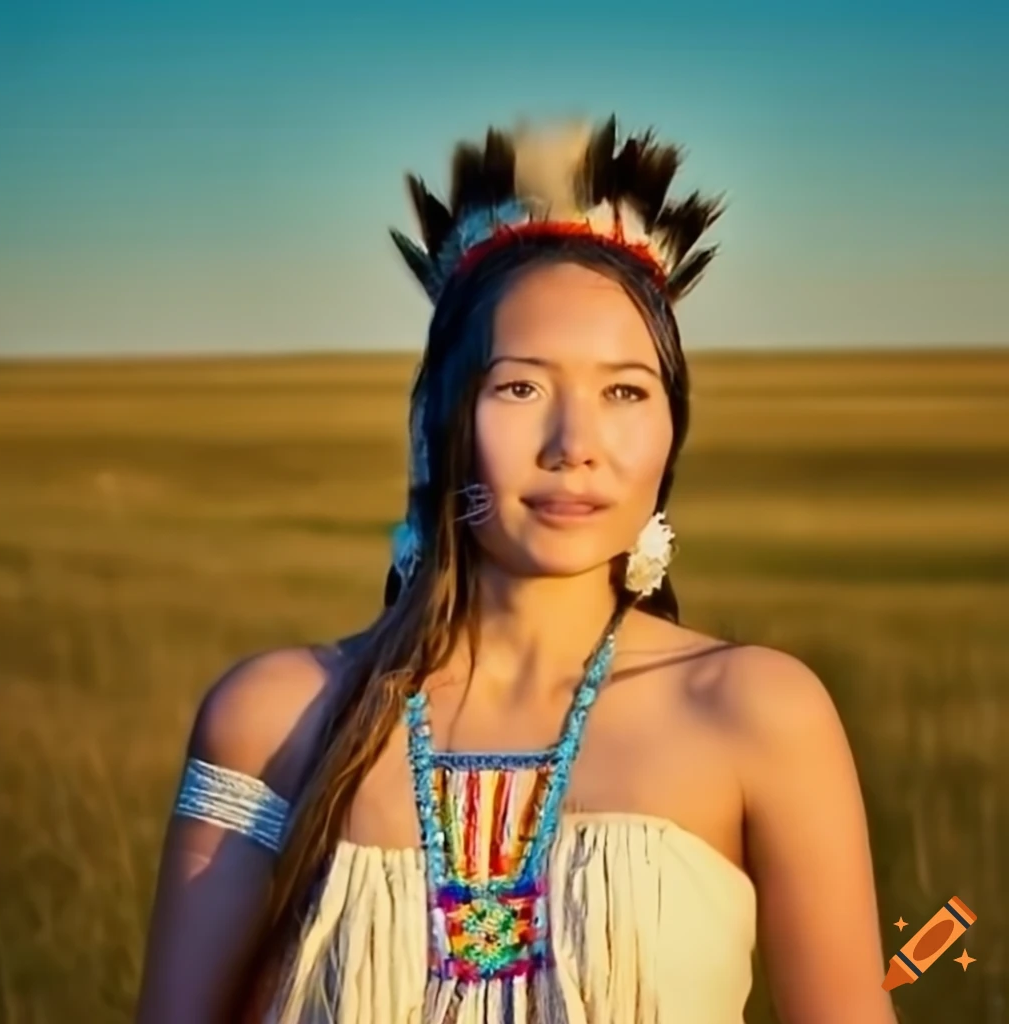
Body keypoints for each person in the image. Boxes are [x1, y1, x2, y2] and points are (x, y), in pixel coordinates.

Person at [136, 116, 899, 1024]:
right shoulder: (271, 719)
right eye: (520, 387)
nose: (576, 447)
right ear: (439, 425)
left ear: (672, 430)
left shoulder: (759, 713)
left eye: (625, 392)